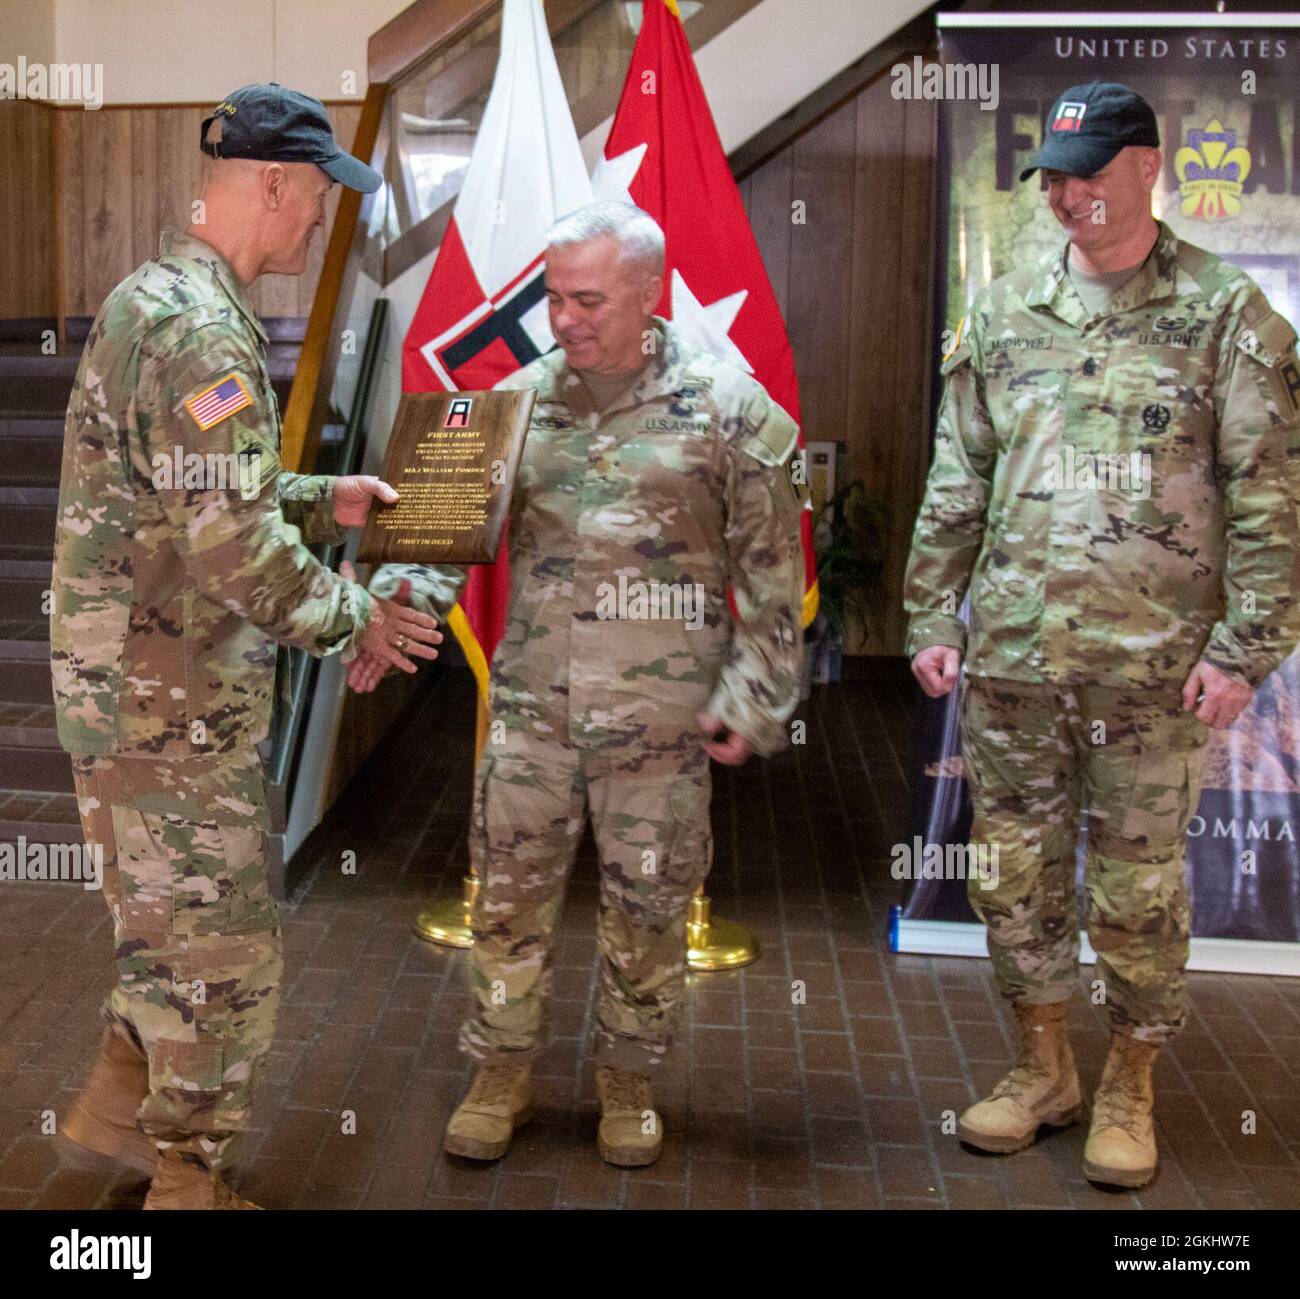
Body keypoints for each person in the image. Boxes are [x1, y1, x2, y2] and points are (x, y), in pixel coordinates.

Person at [349, 200, 807, 1168]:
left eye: (589, 299)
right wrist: (391, 613)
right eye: (555, 298)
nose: (566, 318)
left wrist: (757, 694)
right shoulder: (510, 403)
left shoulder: (729, 408)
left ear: (649, 291)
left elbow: (772, 571)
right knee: (507, 902)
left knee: (648, 908)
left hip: (662, 720)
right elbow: (437, 540)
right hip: (533, 709)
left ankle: (628, 1082)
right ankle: (499, 1073)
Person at [50, 83, 443, 1209]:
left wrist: (325, 499)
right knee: (222, 957)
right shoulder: (203, 333)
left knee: (165, 935)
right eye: (316, 194)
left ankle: (121, 1115)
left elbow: (199, 494)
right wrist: (363, 617)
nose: (319, 219)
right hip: (167, 706)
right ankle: (188, 1183)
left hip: (128, 693)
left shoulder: (155, 298)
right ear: (272, 182)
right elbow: (231, 548)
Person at [904, 81, 1300, 1188]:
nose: (1069, 196)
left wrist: (1245, 650)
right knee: (1012, 876)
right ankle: (1042, 1069)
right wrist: (931, 610)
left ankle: (1129, 1083)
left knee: (1135, 892)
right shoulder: (1002, 313)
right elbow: (958, 475)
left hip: (1154, 671)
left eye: (1090, 174)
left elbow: (1271, 498)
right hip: (1016, 659)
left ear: (1147, 167)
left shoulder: (1226, 315)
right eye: (1054, 179)